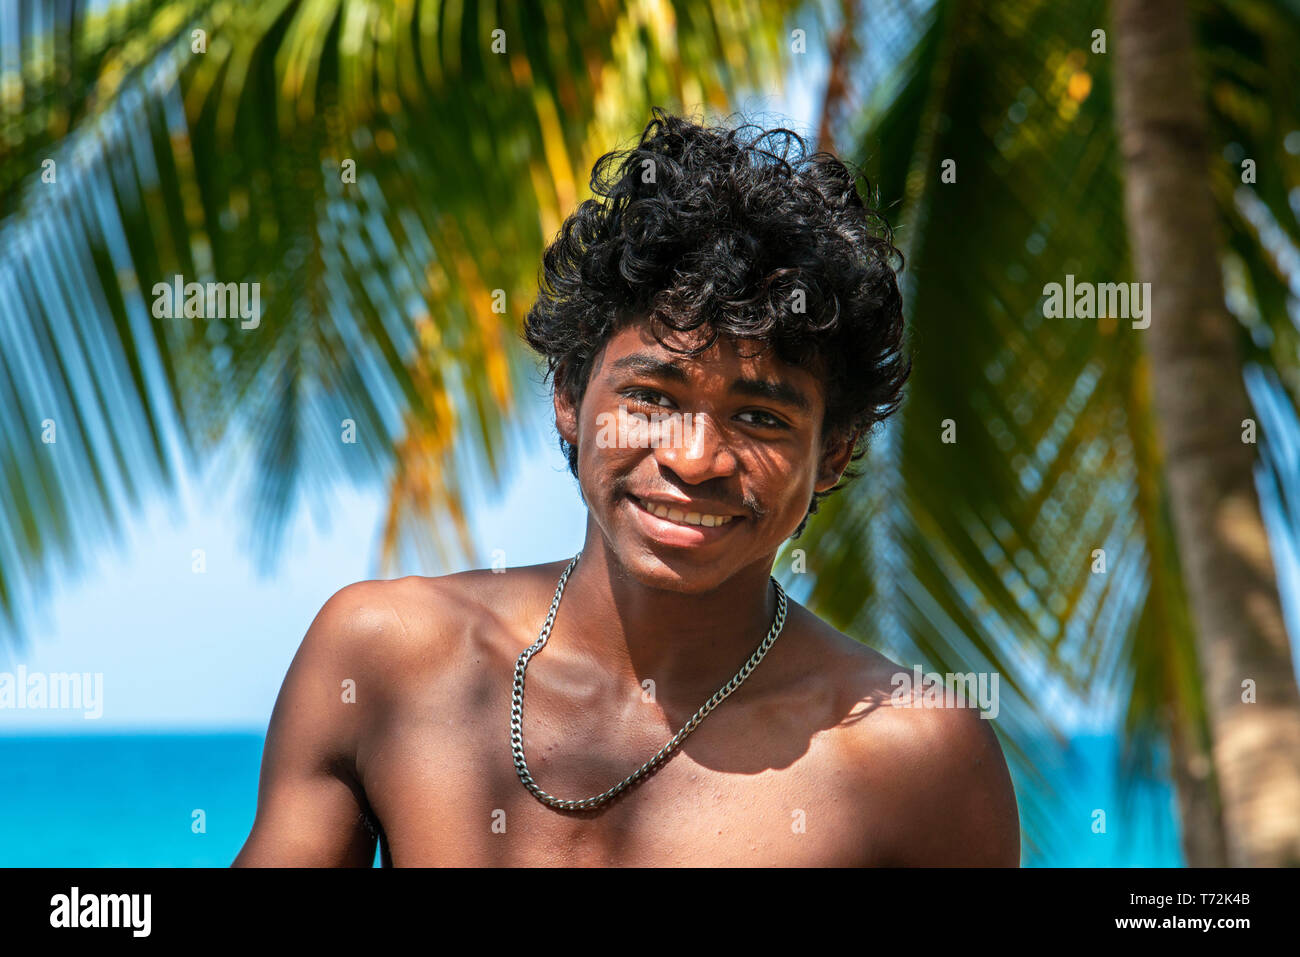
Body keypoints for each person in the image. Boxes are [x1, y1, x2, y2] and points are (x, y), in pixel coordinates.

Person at [233, 108, 1019, 867]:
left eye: (761, 416)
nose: (697, 457)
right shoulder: (387, 660)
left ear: (834, 452)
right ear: (570, 397)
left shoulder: (912, 759)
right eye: (653, 398)